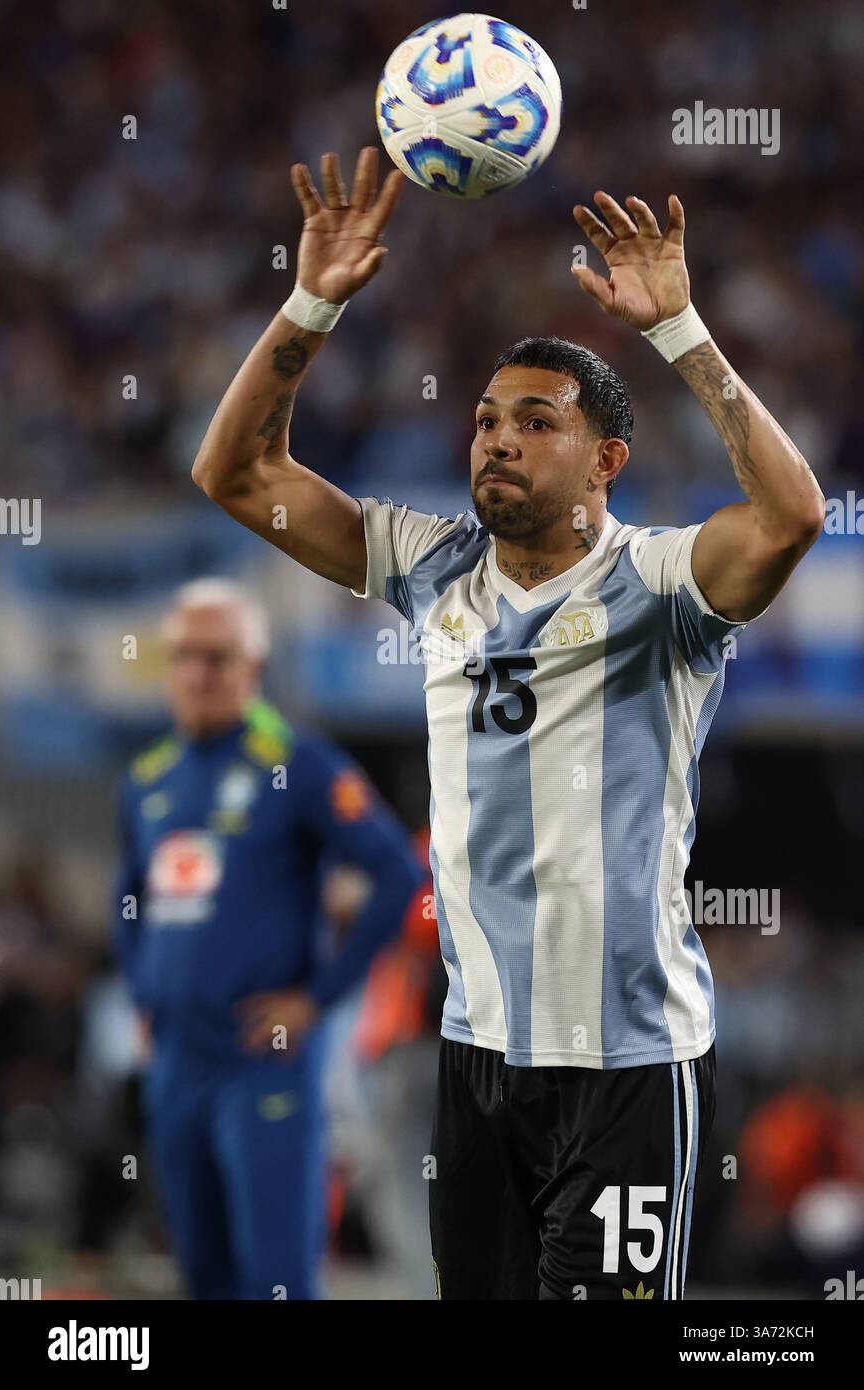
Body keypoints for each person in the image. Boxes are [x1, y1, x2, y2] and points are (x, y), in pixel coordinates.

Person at [190, 149, 825, 1300]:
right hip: (475, 1060)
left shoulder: (662, 586)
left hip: (628, 1067)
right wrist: (312, 298)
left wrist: (680, 331)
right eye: (486, 418)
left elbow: (791, 515)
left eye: (536, 421)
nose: (494, 438)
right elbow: (233, 471)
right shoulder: (430, 569)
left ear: (605, 463)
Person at [114, 577, 424, 1300]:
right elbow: (127, 895)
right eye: (184, 656)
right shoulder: (148, 778)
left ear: (253, 668)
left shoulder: (296, 765)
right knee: (203, 1278)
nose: (197, 673)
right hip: (179, 1064)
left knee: (276, 1281)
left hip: (265, 1063)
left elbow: (397, 874)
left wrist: (316, 1002)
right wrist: (143, 998)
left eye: (217, 657)